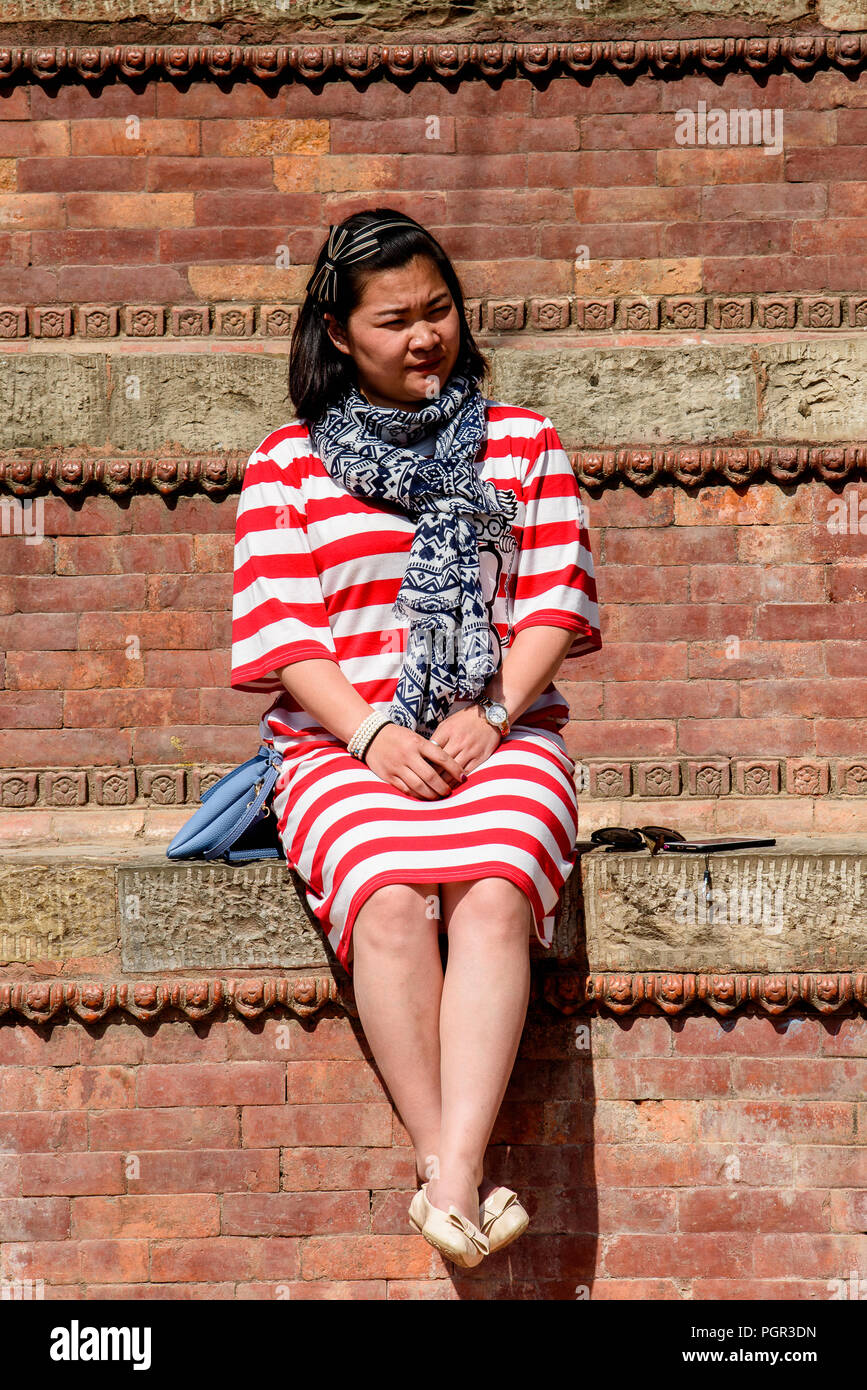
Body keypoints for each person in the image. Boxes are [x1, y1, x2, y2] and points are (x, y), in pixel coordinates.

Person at [230, 208, 602, 1268]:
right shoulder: (288, 464)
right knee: (390, 895)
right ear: (339, 334)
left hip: (503, 728)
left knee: (492, 887)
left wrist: (489, 716)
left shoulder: (524, 442)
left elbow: (551, 606)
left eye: (439, 310)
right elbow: (289, 631)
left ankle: (445, 1177)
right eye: (394, 320)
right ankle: (462, 1177)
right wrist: (372, 733)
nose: (424, 337)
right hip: (338, 744)